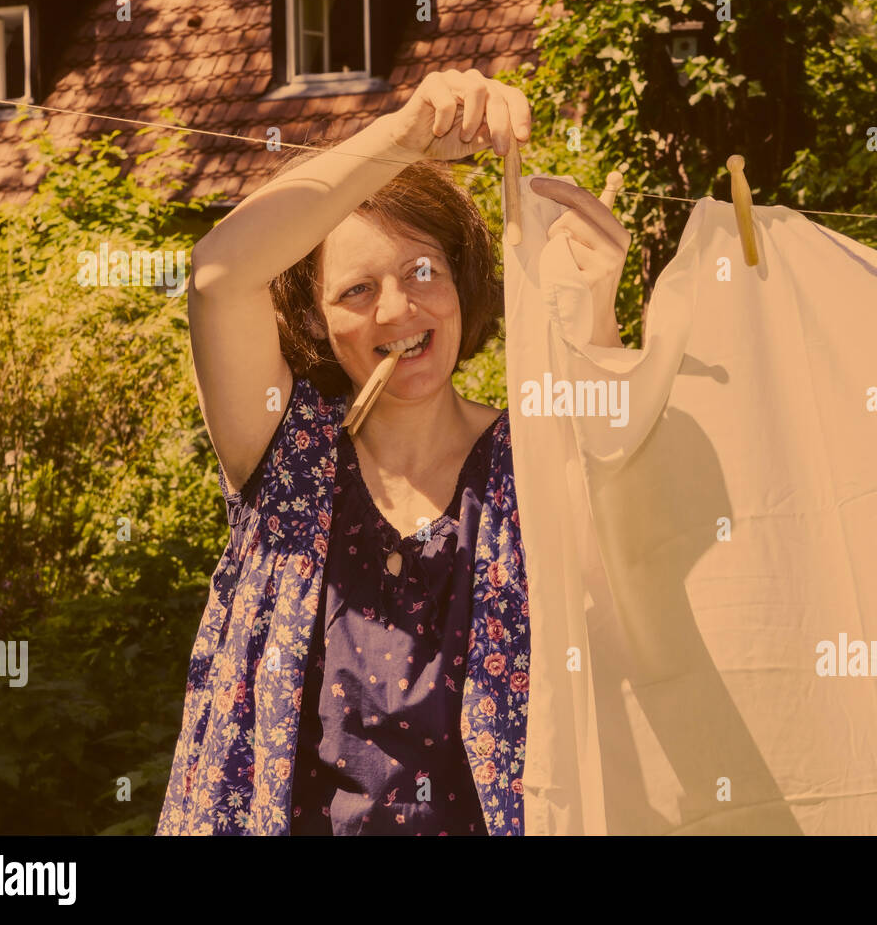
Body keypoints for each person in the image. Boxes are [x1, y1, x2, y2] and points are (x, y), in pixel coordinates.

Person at [157, 69, 631, 836]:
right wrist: (406, 136)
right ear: (313, 322)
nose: (398, 309)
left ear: (459, 284)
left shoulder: (534, 449)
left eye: (421, 272)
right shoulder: (289, 460)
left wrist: (593, 313)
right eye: (355, 291)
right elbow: (217, 275)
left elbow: (627, 572)